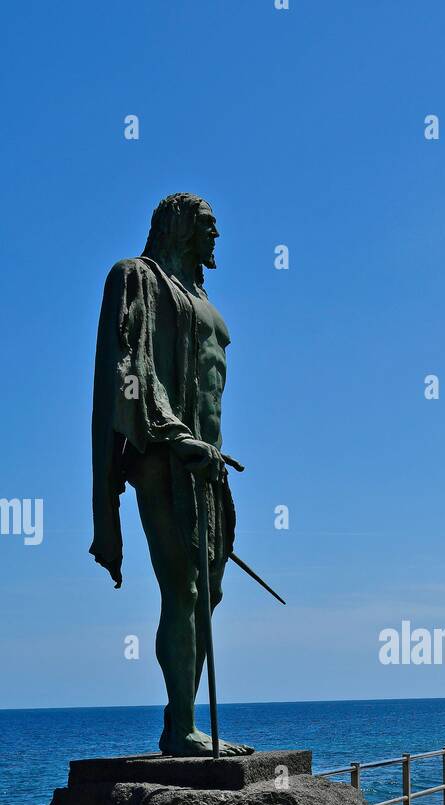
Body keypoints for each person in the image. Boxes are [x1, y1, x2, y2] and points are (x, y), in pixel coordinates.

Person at [91, 192, 250, 755]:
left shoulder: (199, 295)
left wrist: (203, 449)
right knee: (182, 589)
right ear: (180, 225)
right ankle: (182, 725)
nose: (216, 237)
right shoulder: (136, 277)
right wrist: (175, 435)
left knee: (209, 595)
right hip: (164, 456)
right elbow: (129, 367)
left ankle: (181, 718)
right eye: (208, 225)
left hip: (208, 467)